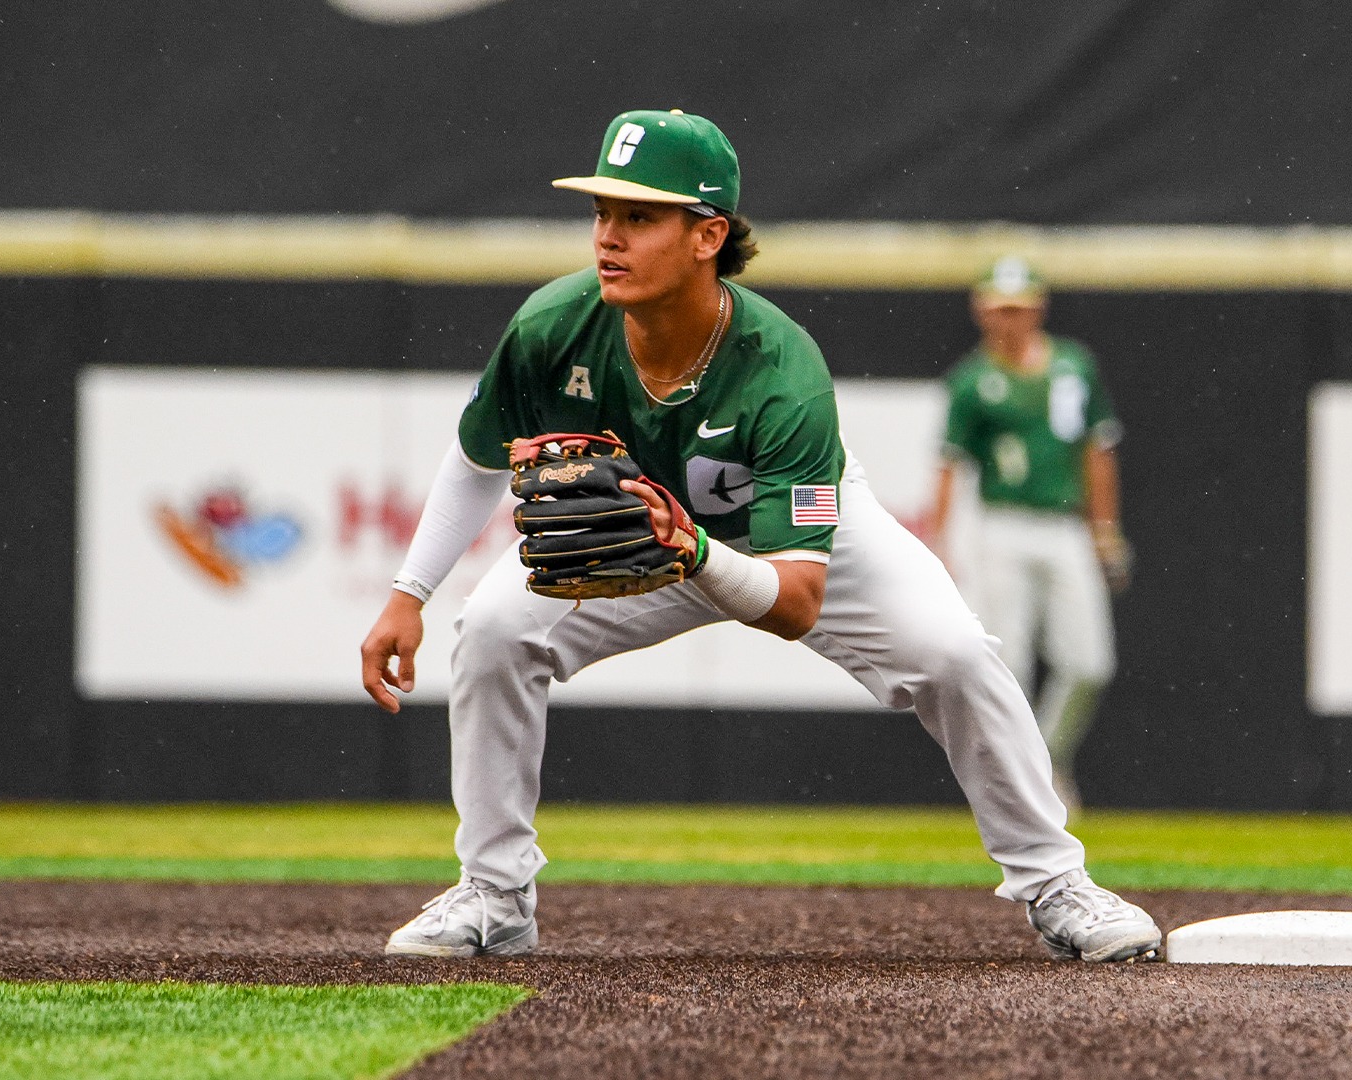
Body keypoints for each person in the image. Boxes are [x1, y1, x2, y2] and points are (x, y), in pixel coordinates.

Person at [358, 109, 1160, 963]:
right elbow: (475, 456)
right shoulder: (554, 325)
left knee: (957, 653)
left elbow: (796, 603)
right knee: (491, 631)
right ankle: (494, 892)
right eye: (601, 213)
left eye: (639, 216)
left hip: (794, 546)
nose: (607, 238)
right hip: (653, 532)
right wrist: (408, 594)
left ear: (707, 235)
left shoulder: (785, 372)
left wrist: (698, 555)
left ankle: (1054, 883)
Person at [929, 256, 1130, 816]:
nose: (1009, 320)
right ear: (981, 311)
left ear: (1038, 308)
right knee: (1008, 664)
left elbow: (1097, 449)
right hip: (1002, 524)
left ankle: (1045, 759)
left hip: (1065, 527)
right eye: (1000, 309)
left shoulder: (1073, 366)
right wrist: (940, 543)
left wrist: (1105, 528)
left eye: (1018, 308)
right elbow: (949, 465)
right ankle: (1023, 782)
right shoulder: (972, 380)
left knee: (1089, 662)